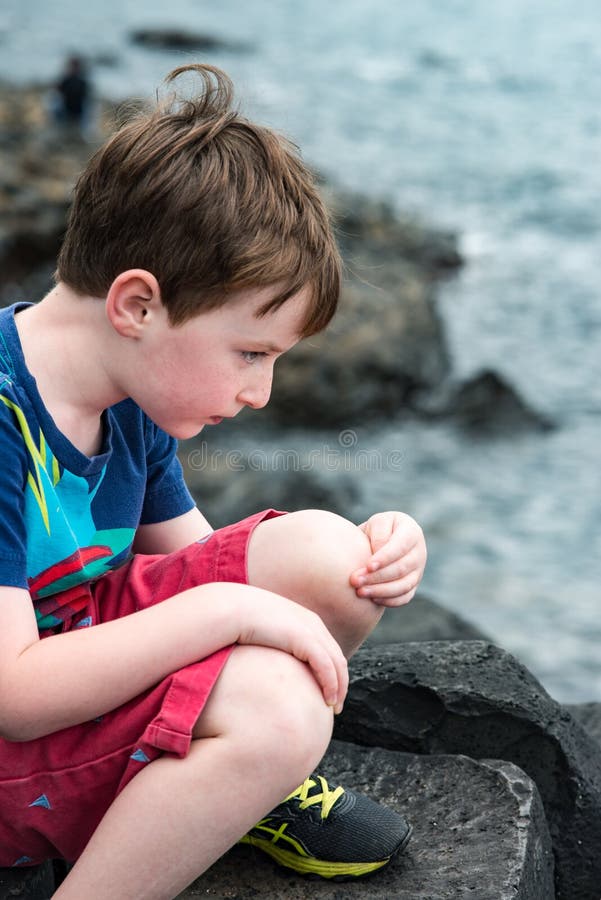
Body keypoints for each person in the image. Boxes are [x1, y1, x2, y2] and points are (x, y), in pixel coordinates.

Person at [0, 64, 426, 899]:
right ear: (137, 306)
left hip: (79, 677)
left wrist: (379, 552)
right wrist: (232, 616)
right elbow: (14, 693)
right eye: (251, 354)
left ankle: (216, 787)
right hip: (18, 724)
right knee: (276, 710)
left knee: (326, 562)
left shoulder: (128, 394)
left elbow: (203, 564)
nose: (259, 393)